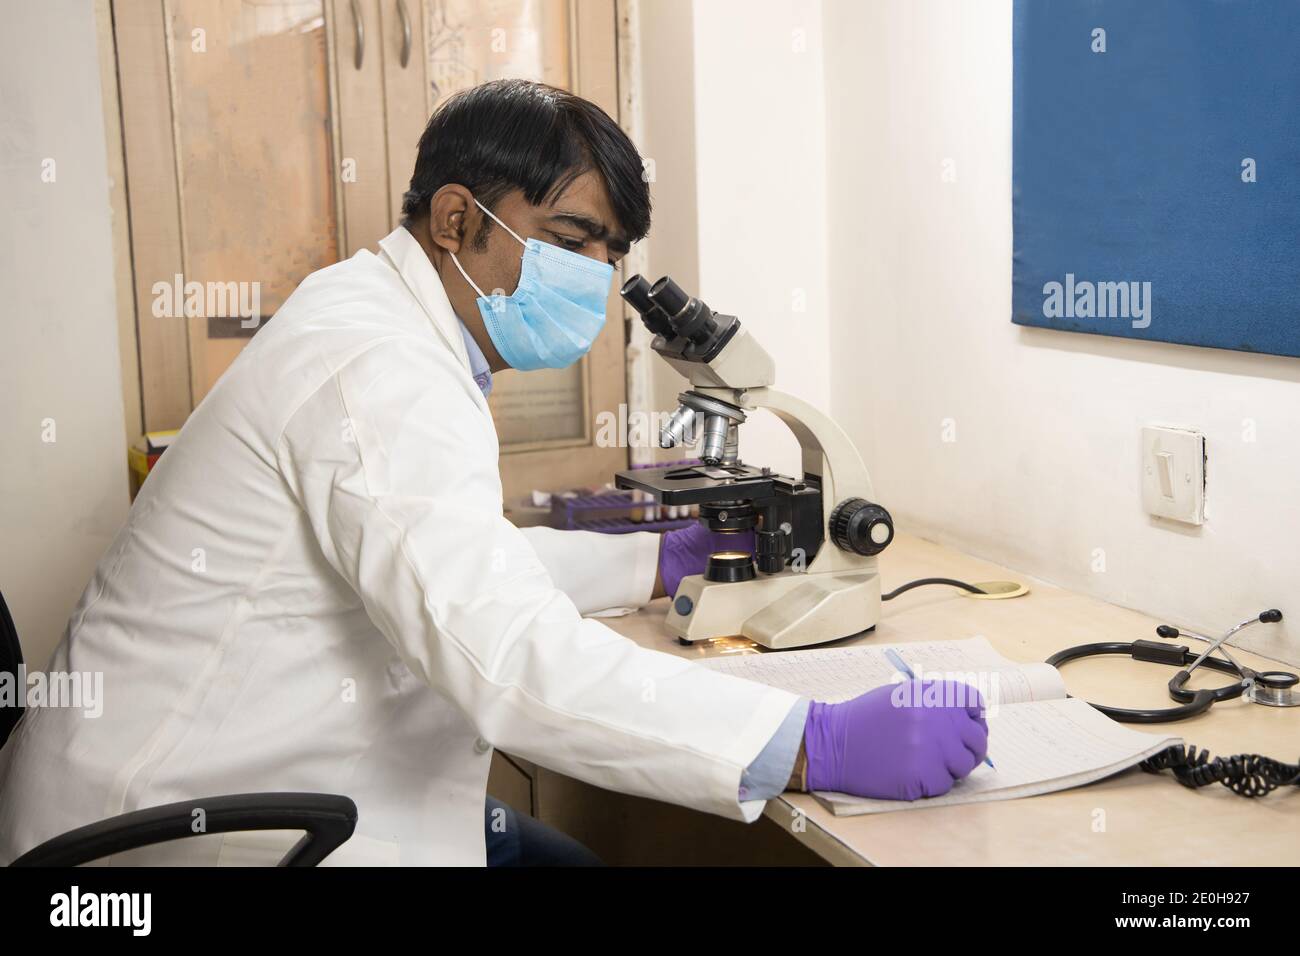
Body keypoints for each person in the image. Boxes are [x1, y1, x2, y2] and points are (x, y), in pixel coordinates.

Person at [0, 80, 986, 866]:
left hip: (243, 784)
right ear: (456, 217)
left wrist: (656, 557)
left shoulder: (378, 319)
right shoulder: (379, 366)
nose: (597, 277)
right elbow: (503, 657)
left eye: (612, 254)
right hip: (167, 838)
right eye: (570, 240)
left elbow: (448, 563)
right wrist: (805, 738)